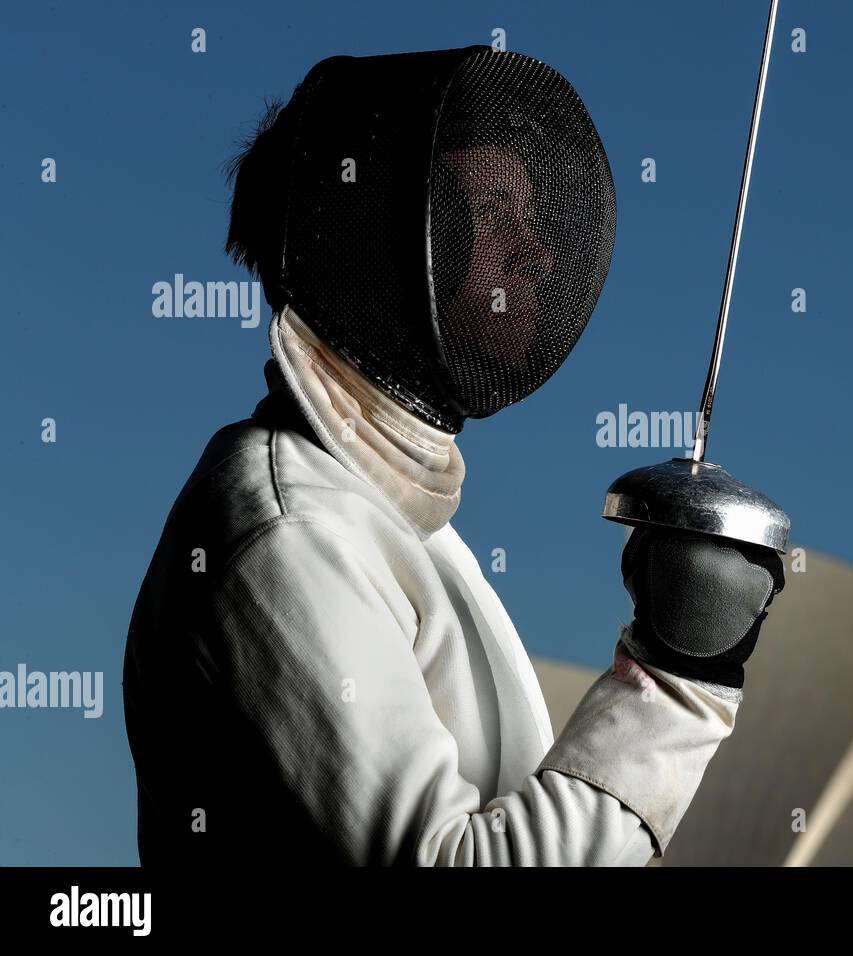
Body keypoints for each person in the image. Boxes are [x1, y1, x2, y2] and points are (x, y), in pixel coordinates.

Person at [123, 47, 784, 866]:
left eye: (535, 215)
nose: (537, 251)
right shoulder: (289, 532)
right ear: (380, 234)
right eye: (497, 210)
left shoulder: (405, 531)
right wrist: (677, 680)